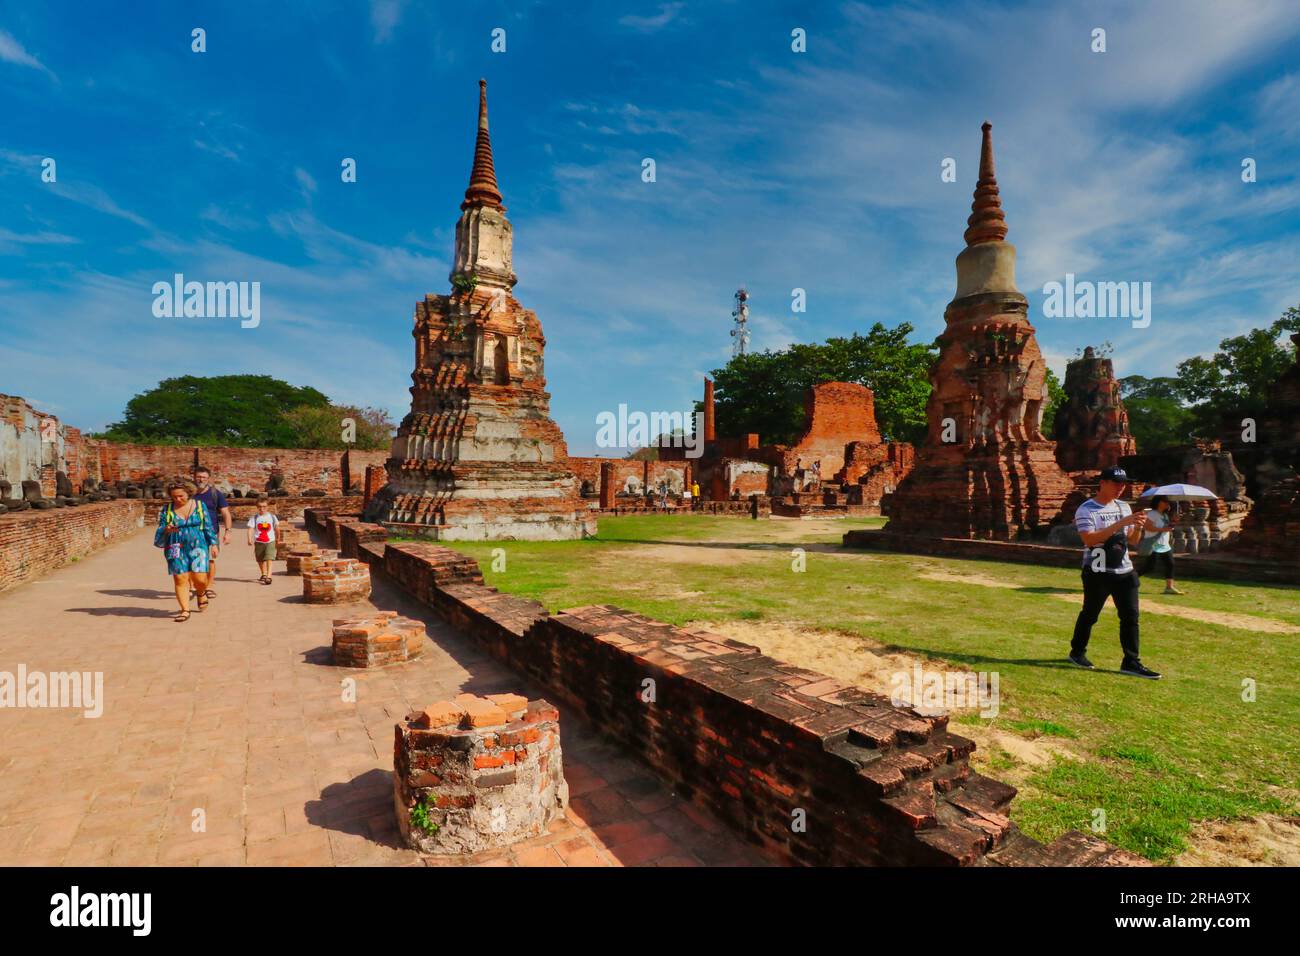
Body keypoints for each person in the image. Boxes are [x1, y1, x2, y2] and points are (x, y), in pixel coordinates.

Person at [1069, 467, 1162, 679]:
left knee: (1130, 617)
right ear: (1102, 483)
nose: (1121, 487)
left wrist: (1137, 526)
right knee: (1090, 614)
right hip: (1098, 570)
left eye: (1123, 483)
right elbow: (1090, 540)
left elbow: (1133, 540)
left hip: (1125, 570)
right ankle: (1077, 652)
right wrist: (1120, 523)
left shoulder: (1123, 507)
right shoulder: (1087, 509)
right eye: (1116, 483)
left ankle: (1131, 661)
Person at [154, 481, 219, 622]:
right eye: (174, 497)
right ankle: (185, 610)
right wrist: (167, 529)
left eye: (181, 496)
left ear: (188, 493)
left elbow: (208, 526)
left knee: (200, 579)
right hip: (175, 545)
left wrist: (214, 544)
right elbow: (161, 527)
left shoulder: (200, 506)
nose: (177, 499)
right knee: (180, 578)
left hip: (198, 545)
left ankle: (201, 592)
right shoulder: (168, 509)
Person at [192, 466, 231, 601]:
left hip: (211, 532)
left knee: (210, 560)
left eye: (204, 477)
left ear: (208, 479)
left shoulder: (215, 494)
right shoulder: (189, 493)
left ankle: (209, 587)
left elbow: (225, 513)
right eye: (198, 477)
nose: (201, 479)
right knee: (192, 558)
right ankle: (195, 585)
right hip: (192, 532)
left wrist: (228, 531)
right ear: (194, 477)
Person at [1139, 495, 1184, 595]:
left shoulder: (1164, 515)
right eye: (1165, 501)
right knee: (1149, 567)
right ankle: (1129, 579)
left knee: (1170, 564)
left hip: (1163, 544)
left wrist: (1174, 522)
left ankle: (1169, 587)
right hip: (1154, 544)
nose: (1168, 503)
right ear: (1159, 502)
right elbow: (1147, 527)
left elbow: (1166, 527)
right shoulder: (1152, 514)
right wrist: (1162, 529)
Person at [246, 496, 280, 585]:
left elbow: (276, 528)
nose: (262, 509)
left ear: (267, 507)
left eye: (264, 506)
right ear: (257, 507)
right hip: (259, 541)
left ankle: (269, 576)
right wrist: (249, 538)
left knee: (269, 558)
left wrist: (278, 537)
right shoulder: (255, 518)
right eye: (260, 507)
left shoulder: (272, 517)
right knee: (260, 559)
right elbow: (250, 529)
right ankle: (263, 574)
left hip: (270, 541)